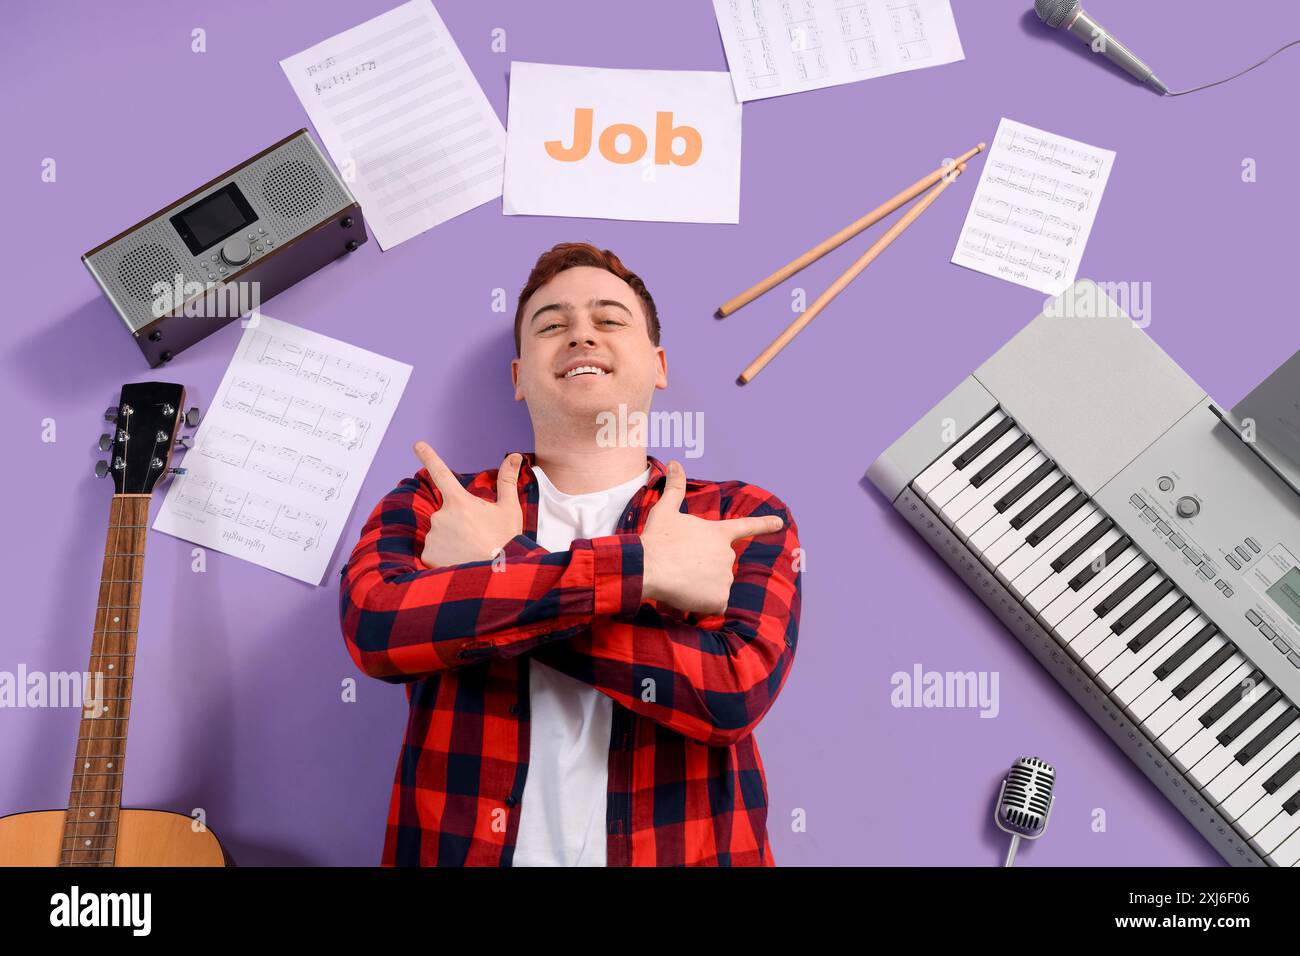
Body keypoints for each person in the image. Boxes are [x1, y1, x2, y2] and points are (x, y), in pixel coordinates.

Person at [338, 242, 802, 866]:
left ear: (658, 365)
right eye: (552, 325)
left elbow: (731, 693)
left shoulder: (737, 516)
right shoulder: (440, 499)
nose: (582, 335)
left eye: (610, 320)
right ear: (518, 377)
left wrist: (504, 567)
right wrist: (643, 572)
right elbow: (377, 628)